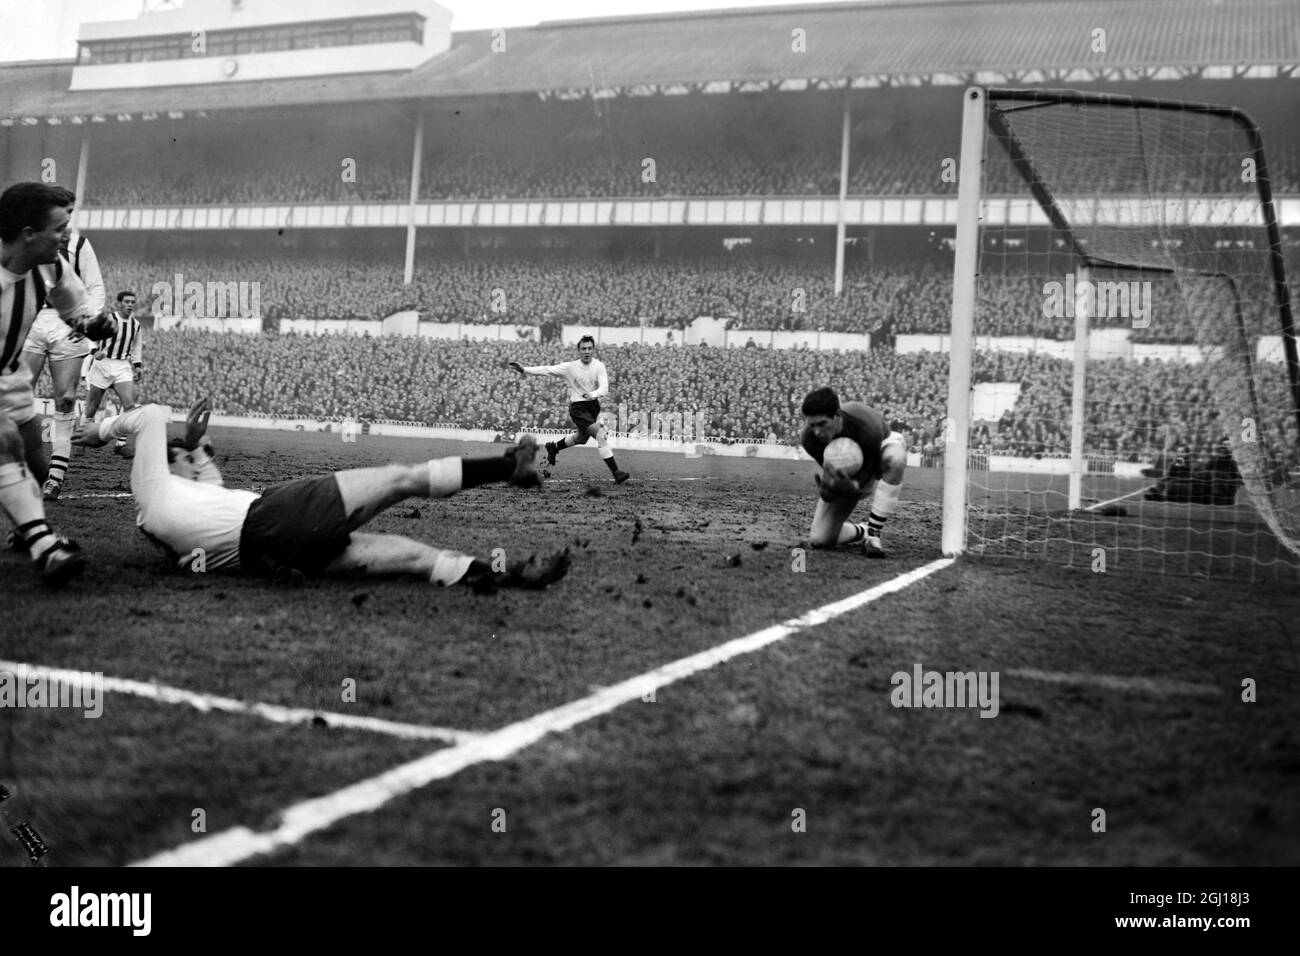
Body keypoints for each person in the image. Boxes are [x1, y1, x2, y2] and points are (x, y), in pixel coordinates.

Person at [72, 398, 571, 591]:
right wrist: (102, 430)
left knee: (418, 558)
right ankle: (508, 466)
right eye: (183, 455)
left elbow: (212, 491)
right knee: (400, 478)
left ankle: (507, 576)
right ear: (166, 464)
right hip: (281, 512)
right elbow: (151, 414)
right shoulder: (154, 491)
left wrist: (198, 451)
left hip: (271, 551)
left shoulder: (171, 514)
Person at [1, 182, 114, 583]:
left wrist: (95, 324)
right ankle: (44, 545)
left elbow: (77, 309)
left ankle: (24, 531)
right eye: (59, 228)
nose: (67, 235)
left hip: (10, 377)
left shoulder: (50, 265)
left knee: (36, 462)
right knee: (5, 444)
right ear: (29, 234)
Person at [19, 186, 104, 500]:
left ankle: (54, 478)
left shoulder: (80, 243)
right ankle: (26, 472)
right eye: (62, 210)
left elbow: (95, 289)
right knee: (18, 395)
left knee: (66, 399)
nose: (67, 217)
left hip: (66, 323)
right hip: (33, 321)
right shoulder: (30, 240)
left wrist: (85, 323)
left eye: (70, 211)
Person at [799, 386, 906, 558]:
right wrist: (829, 490)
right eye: (812, 425)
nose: (817, 432)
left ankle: (873, 534)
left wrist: (855, 484)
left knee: (895, 460)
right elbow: (832, 479)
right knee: (819, 540)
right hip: (852, 474)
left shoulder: (865, 424)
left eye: (822, 424)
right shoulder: (809, 439)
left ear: (837, 416)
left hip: (880, 447)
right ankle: (861, 530)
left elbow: (870, 470)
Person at [508, 335, 629, 484]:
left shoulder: (599, 366)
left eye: (589, 348)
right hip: (578, 408)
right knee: (600, 434)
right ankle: (616, 472)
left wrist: (593, 394)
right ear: (579, 350)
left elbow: (604, 387)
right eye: (583, 348)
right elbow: (547, 370)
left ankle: (554, 448)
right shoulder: (570, 367)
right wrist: (524, 370)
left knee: (581, 438)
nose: (587, 351)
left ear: (593, 349)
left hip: (592, 406)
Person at [81, 290, 143, 459]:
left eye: (132, 302)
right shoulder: (108, 319)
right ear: (119, 303)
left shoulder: (135, 325)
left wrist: (137, 365)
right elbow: (90, 335)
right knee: (91, 409)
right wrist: (94, 351)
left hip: (122, 366)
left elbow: (136, 346)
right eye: (127, 302)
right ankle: (83, 439)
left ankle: (121, 444)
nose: (130, 305)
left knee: (129, 405)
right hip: (103, 364)